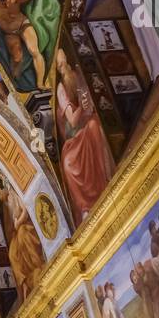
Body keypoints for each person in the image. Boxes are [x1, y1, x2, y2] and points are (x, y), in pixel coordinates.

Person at [54, 48, 114, 218]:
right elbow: (72, 120)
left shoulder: (78, 75)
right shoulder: (60, 88)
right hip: (74, 137)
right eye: (60, 66)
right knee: (67, 163)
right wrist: (81, 106)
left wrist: (89, 103)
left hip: (88, 123)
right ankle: (85, 206)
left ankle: (105, 181)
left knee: (95, 126)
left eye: (64, 62)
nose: (63, 67)